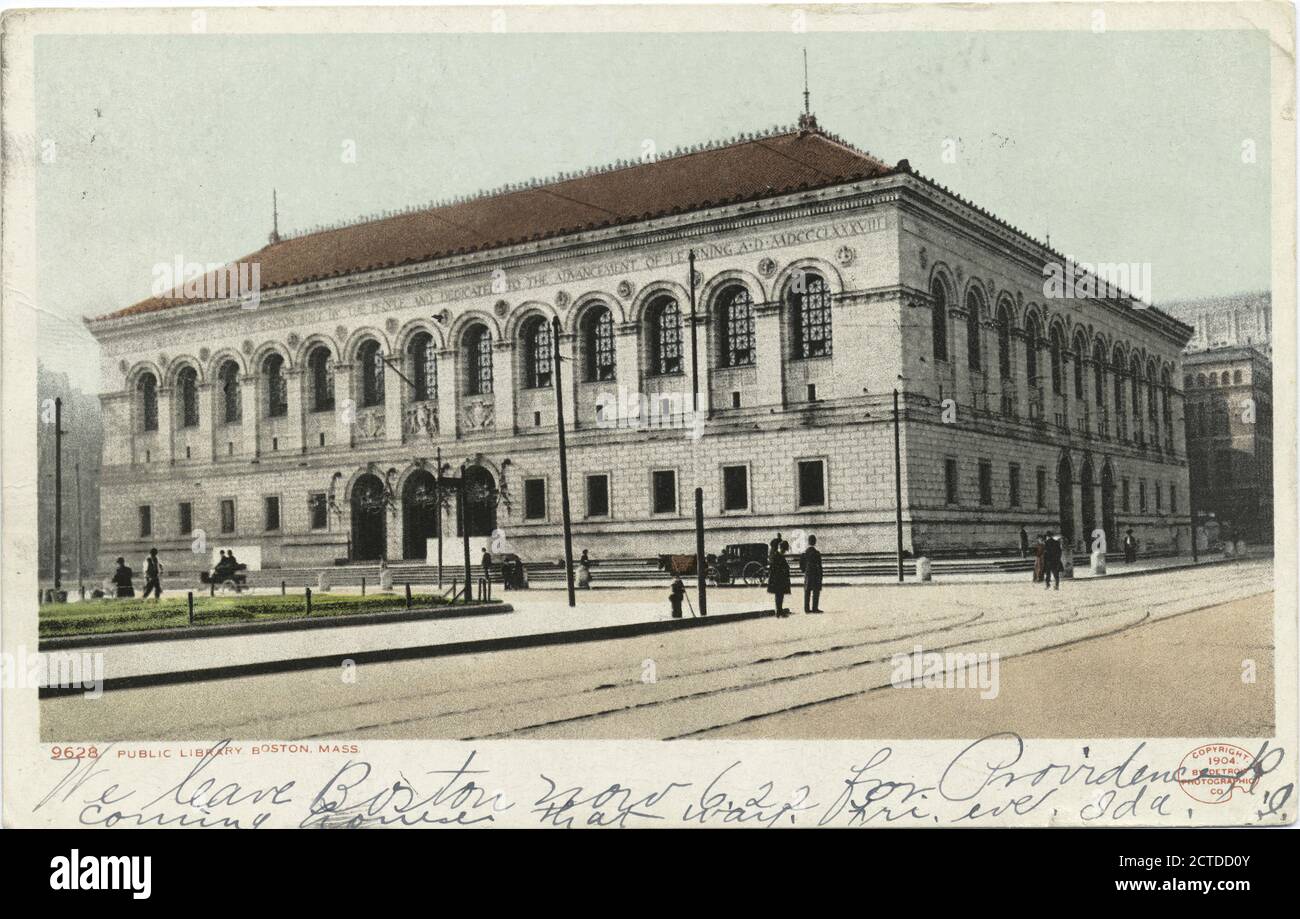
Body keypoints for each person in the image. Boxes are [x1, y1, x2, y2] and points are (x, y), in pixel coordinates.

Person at [767, 540, 792, 617]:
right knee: (779, 596)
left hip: (779, 580)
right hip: (778, 580)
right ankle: (778, 611)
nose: (785, 552)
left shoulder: (778, 555)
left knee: (780, 596)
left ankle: (779, 611)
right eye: (784, 550)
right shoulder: (777, 556)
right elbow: (774, 569)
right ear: (782, 549)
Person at [801, 535, 824, 614]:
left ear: (808, 542)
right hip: (815, 574)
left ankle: (806, 609)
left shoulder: (804, 553)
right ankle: (815, 608)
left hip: (808, 574)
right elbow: (820, 565)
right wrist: (821, 575)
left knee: (807, 591)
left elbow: (801, 564)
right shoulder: (817, 553)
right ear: (815, 542)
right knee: (816, 591)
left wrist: (805, 571)